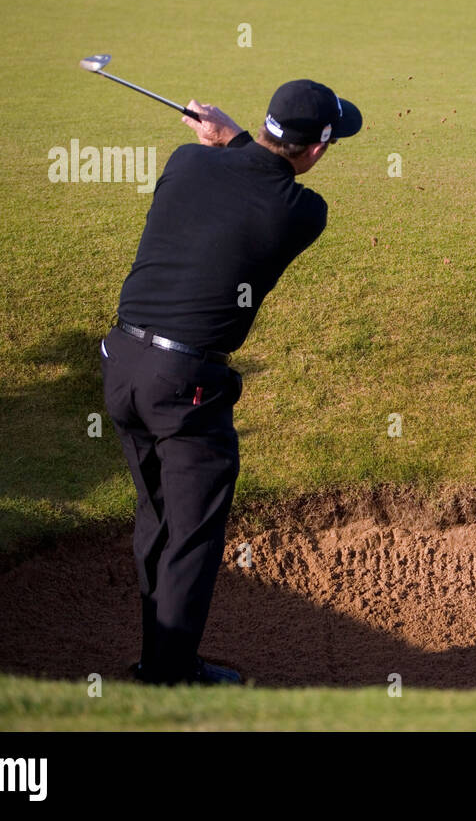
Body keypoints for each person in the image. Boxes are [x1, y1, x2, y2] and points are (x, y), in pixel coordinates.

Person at [100, 79, 362, 684]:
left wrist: (233, 139)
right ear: (316, 151)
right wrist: (237, 137)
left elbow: (241, 172)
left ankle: (156, 660)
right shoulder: (303, 212)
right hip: (184, 385)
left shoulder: (187, 159)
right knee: (190, 537)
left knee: (157, 519)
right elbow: (264, 184)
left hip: (122, 364)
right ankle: (168, 678)